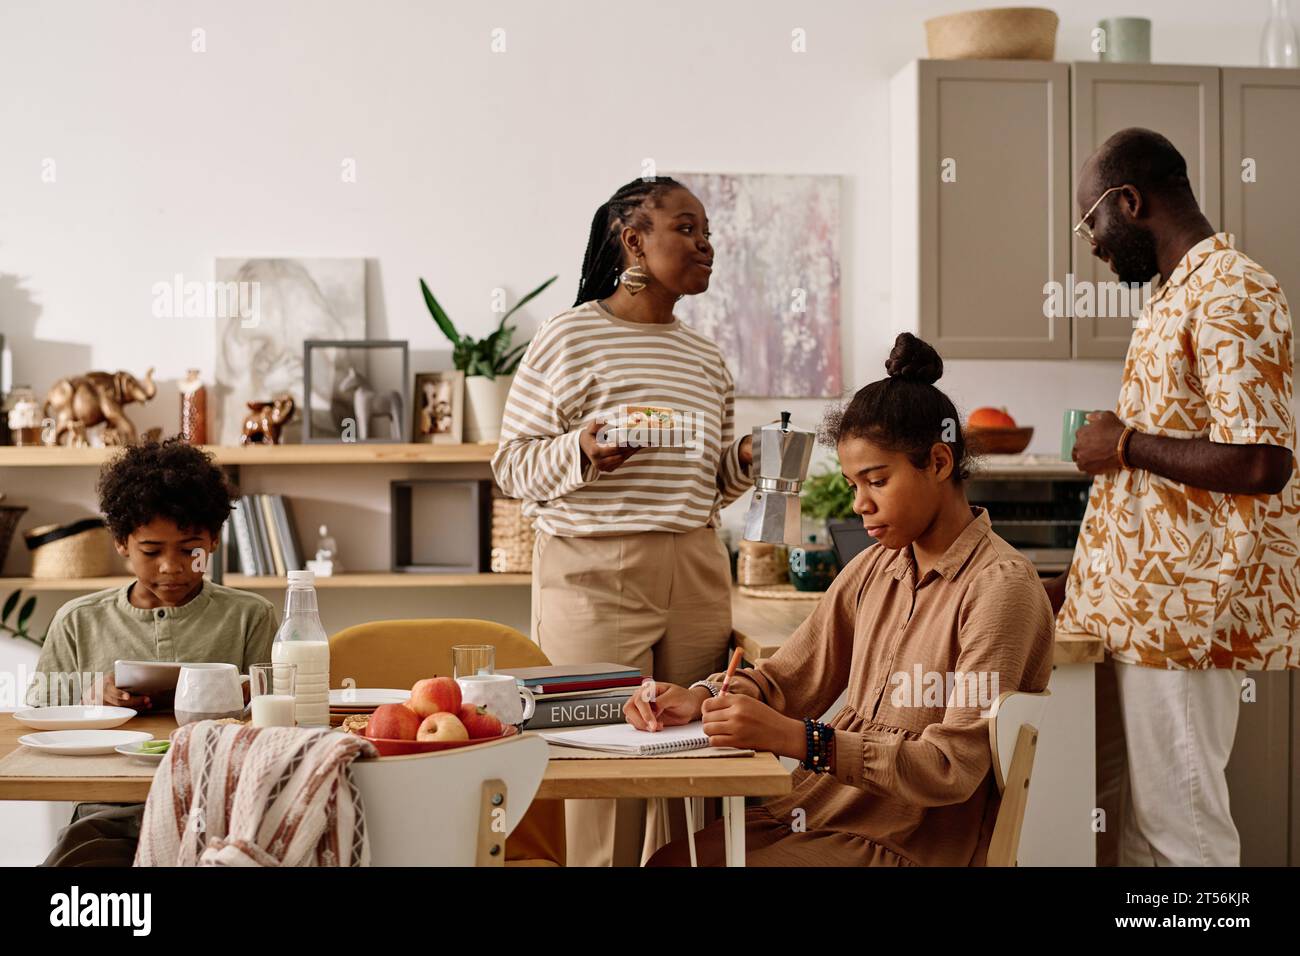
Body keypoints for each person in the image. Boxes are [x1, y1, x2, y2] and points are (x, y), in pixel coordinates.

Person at [631, 333, 1054, 866]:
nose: (861, 504)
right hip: (820, 812)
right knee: (670, 862)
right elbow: (786, 680)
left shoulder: (1001, 588)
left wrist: (803, 741)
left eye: (877, 481)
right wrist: (701, 696)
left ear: (940, 462)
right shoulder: (875, 568)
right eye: (854, 484)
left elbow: (950, 767)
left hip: (906, 843)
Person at [1048, 127, 1298, 866]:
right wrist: (1085, 581)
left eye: (1090, 220)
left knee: (1184, 835)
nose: (1090, 242)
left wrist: (1122, 443)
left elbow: (1262, 462)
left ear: (1130, 202)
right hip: (1151, 610)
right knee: (1147, 833)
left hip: (1191, 615)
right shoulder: (1174, 296)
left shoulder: (1232, 289)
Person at [491, 176, 754, 866]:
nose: (707, 244)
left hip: (697, 567)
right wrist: (581, 450)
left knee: (695, 761)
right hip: (593, 570)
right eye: (686, 229)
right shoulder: (568, 337)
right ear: (634, 241)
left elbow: (707, 488)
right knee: (604, 771)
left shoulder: (705, 358)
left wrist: (747, 459)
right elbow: (510, 465)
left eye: (707, 231)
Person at [28, 438, 277, 866]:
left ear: (215, 540)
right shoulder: (78, 620)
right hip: (108, 810)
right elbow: (37, 715)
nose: (171, 566)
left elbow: (278, 719)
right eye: (151, 551)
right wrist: (89, 697)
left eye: (189, 549)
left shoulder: (250, 617)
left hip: (218, 810)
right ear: (122, 542)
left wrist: (245, 698)